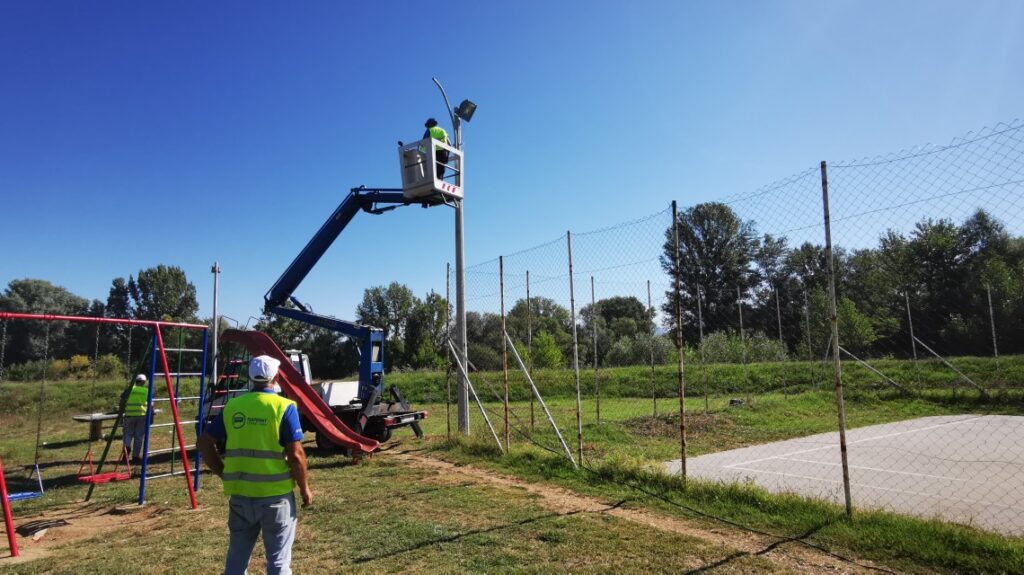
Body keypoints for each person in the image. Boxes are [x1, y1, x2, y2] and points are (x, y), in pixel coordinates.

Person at [197, 355, 312, 575]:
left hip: (240, 497)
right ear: (276, 377)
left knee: (237, 560)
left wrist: (222, 471)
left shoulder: (233, 406)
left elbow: (204, 443)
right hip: (276, 498)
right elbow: (296, 455)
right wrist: (305, 488)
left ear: (250, 377)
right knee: (278, 562)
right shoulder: (284, 407)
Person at [121, 374, 149, 465]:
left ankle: (127, 448)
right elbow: (151, 404)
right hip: (142, 415)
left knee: (128, 434)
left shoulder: (130, 389)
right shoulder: (146, 391)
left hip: (129, 415)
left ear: (136, 381)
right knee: (139, 436)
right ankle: (136, 456)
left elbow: (122, 399)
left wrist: (121, 412)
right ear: (144, 382)